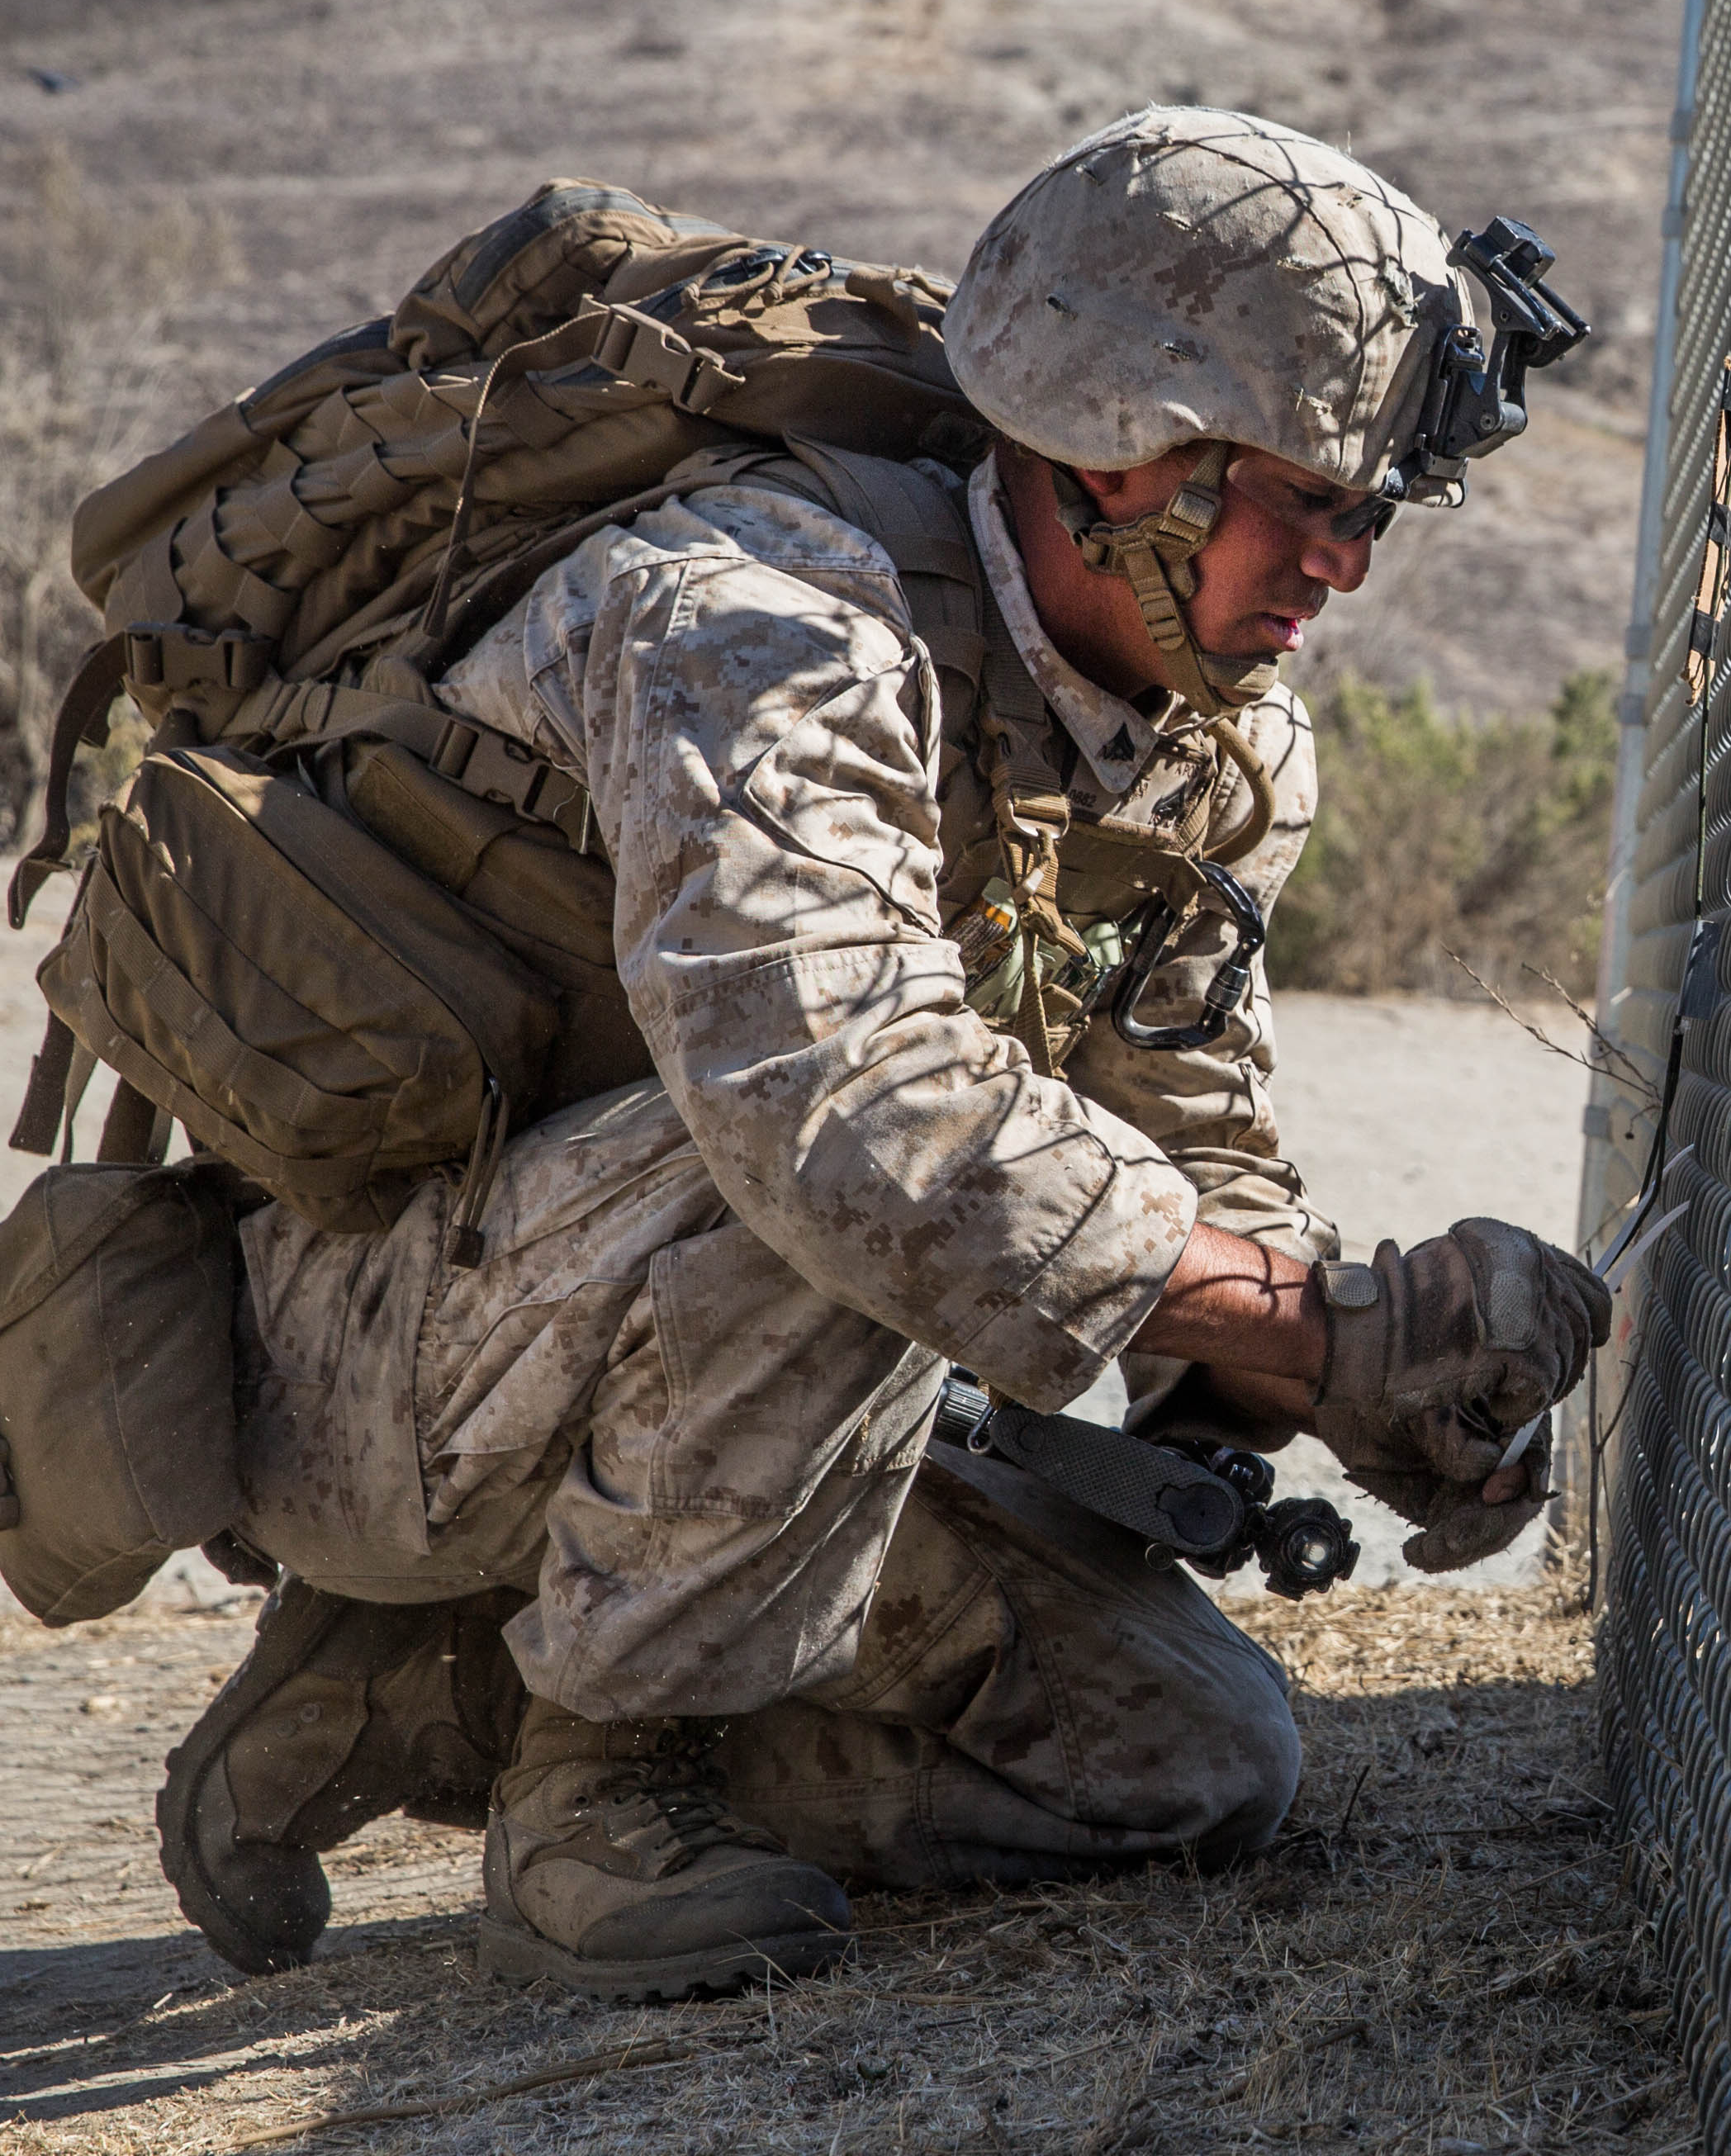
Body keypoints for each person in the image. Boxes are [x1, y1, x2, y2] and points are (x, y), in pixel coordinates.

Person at [149, 107, 1614, 2002]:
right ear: (1130, 454)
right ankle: (599, 1784)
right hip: (378, 1359)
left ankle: (430, 1697)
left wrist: (1332, 1378)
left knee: (1191, 1768)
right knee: (853, 1150)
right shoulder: (749, 614)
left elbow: (1195, 1129)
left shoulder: (1219, 746)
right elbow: (831, 1100)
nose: (1346, 563)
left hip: (685, 1362)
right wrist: (1314, 1321)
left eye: (1374, 514)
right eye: (1312, 498)